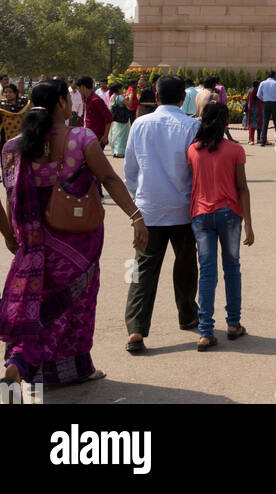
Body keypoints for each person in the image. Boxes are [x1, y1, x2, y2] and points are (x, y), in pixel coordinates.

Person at [0, 77, 146, 389]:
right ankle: (76, 368)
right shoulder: (80, 139)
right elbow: (109, 179)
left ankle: (19, 362)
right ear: (62, 103)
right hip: (78, 246)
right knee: (77, 307)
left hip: (33, 244)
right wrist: (136, 217)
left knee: (36, 305)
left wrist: (11, 236)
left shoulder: (14, 147)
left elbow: (12, 196)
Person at [123, 74, 201, 354]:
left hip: (149, 210)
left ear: (155, 97)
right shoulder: (192, 126)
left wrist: (139, 201)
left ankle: (136, 328)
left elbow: (130, 169)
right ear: (183, 97)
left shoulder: (140, 124)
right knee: (186, 265)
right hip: (183, 208)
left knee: (143, 269)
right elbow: (197, 169)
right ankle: (188, 314)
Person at [187, 102, 253, 350]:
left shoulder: (193, 150)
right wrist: (249, 225)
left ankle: (205, 331)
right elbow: (242, 188)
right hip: (229, 213)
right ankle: (233, 323)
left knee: (207, 272)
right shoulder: (235, 150)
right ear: (226, 122)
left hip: (201, 215)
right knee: (232, 267)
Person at [78, 75, 112, 148]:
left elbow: (109, 118)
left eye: (79, 88)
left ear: (83, 87)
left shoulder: (96, 100)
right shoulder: (85, 99)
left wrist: (105, 136)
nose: (79, 91)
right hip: (86, 136)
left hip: (96, 138)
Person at [256, 71, 276, 147]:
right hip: (274, 104)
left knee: (265, 122)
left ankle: (263, 141)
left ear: (267, 76)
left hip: (266, 104)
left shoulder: (262, 83)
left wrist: (264, 99)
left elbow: (258, 95)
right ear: (274, 76)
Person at [107, 83, 133, 158]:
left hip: (116, 119)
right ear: (118, 89)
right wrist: (131, 96)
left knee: (116, 134)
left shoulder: (112, 96)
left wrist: (125, 96)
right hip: (122, 119)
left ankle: (115, 151)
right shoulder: (120, 97)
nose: (123, 90)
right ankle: (120, 152)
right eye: (122, 89)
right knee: (122, 135)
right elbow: (129, 104)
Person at [245, 80, 262, 145]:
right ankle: (259, 139)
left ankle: (251, 140)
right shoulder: (260, 91)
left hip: (251, 110)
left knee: (251, 126)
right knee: (259, 125)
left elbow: (247, 100)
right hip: (259, 110)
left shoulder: (250, 91)